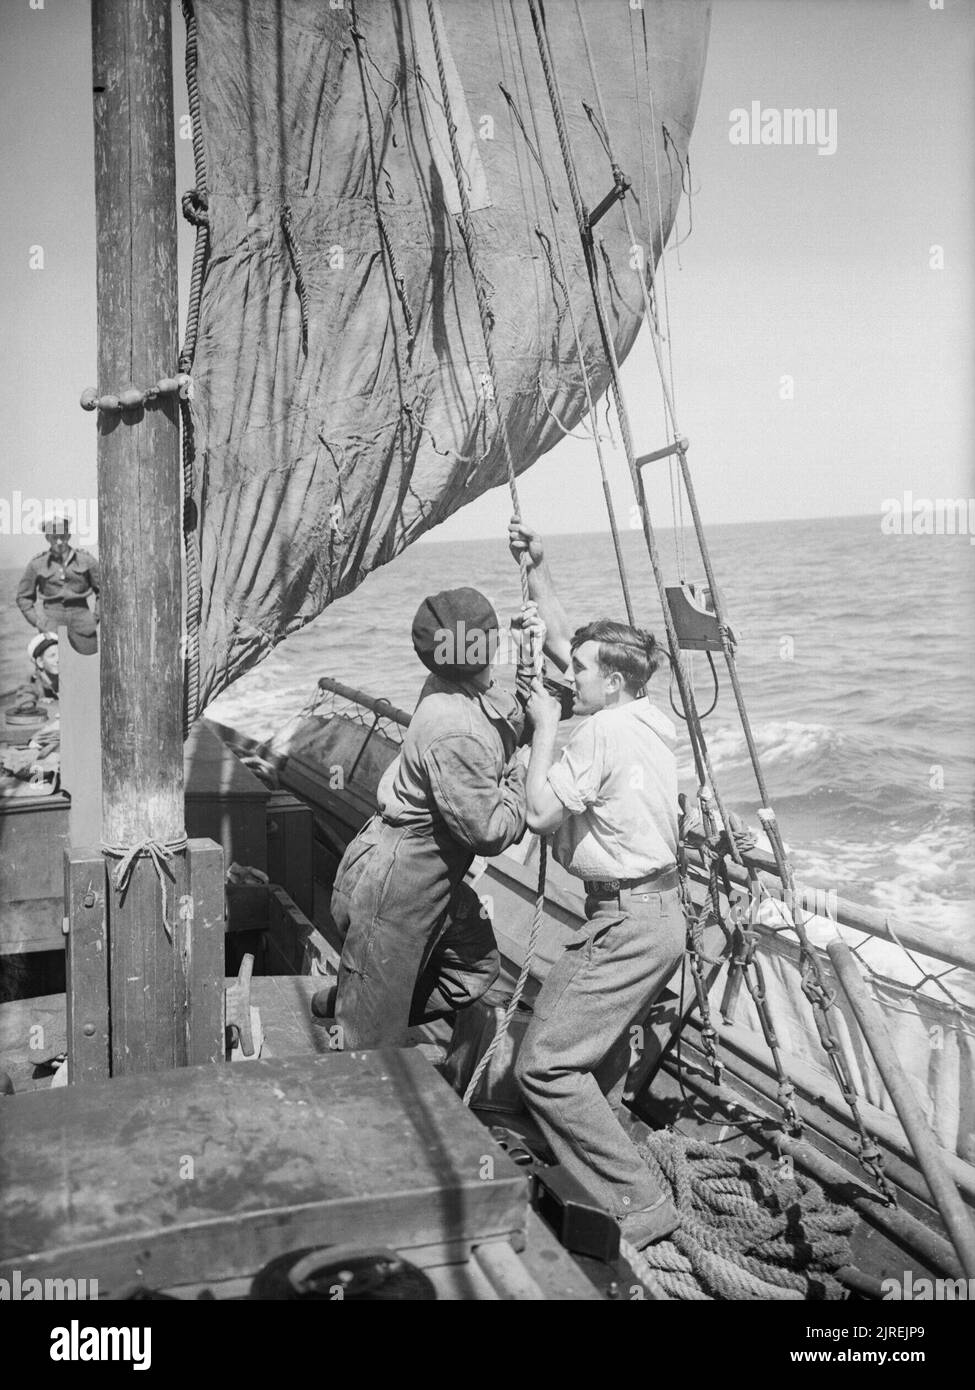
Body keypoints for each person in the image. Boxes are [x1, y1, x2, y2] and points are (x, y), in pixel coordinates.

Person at [509, 519, 685, 1250]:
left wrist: (544, 723)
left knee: (544, 1065)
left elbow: (539, 810)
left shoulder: (602, 733)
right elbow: (562, 640)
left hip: (625, 921)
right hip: (660, 914)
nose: (564, 674)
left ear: (609, 681)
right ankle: (597, 1170)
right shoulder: (646, 714)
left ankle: (640, 1205)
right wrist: (537, 570)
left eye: (577, 672)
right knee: (597, 1060)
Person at [313, 587, 530, 1050]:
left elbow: (504, 711)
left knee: (473, 966)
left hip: (418, 873)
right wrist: (520, 779)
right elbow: (490, 831)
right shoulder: (454, 726)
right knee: (366, 1049)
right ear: (487, 648)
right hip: (399, 881)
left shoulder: (449, 686)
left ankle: (360, 1001)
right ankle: (363, 1014)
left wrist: (528, 656)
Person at [16, 516, 99, 655]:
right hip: (51, 627)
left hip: (83, 625)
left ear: (69, 535)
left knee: (87, 671)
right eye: (54, 537)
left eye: (63, 536)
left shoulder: (86, 560)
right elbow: (23, 598)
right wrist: (38, 622)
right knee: (54, 668)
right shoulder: (37, 564)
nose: (59, 542)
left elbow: (105, 592)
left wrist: (95, 617)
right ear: (47, 538)